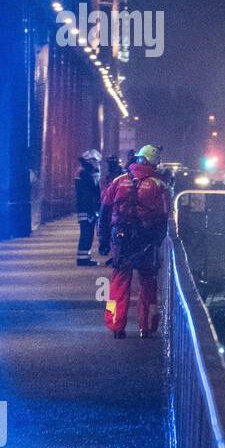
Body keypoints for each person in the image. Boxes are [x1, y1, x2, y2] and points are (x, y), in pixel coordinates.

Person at [100, 144, 171, 339]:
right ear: (154, 163)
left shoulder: (118, 182)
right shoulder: (159, 186)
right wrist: (158, 240)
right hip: (146, 240)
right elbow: (165, 217)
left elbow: (105, 211)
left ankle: (116, 325)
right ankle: (145, 326)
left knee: (119, 283)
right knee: (148, 283)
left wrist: (104, 240)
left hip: (120, 239)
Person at [75, 149, 103, 266]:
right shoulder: (86, 175)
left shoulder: (83, 173)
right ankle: (83, 259)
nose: (97, 164)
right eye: (95, 161)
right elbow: (89, 194)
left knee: (87, 233)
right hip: (87, 209)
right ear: (90, 161)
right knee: (87, 233)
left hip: (85, 208)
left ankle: (84, 257)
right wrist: (92, 211)